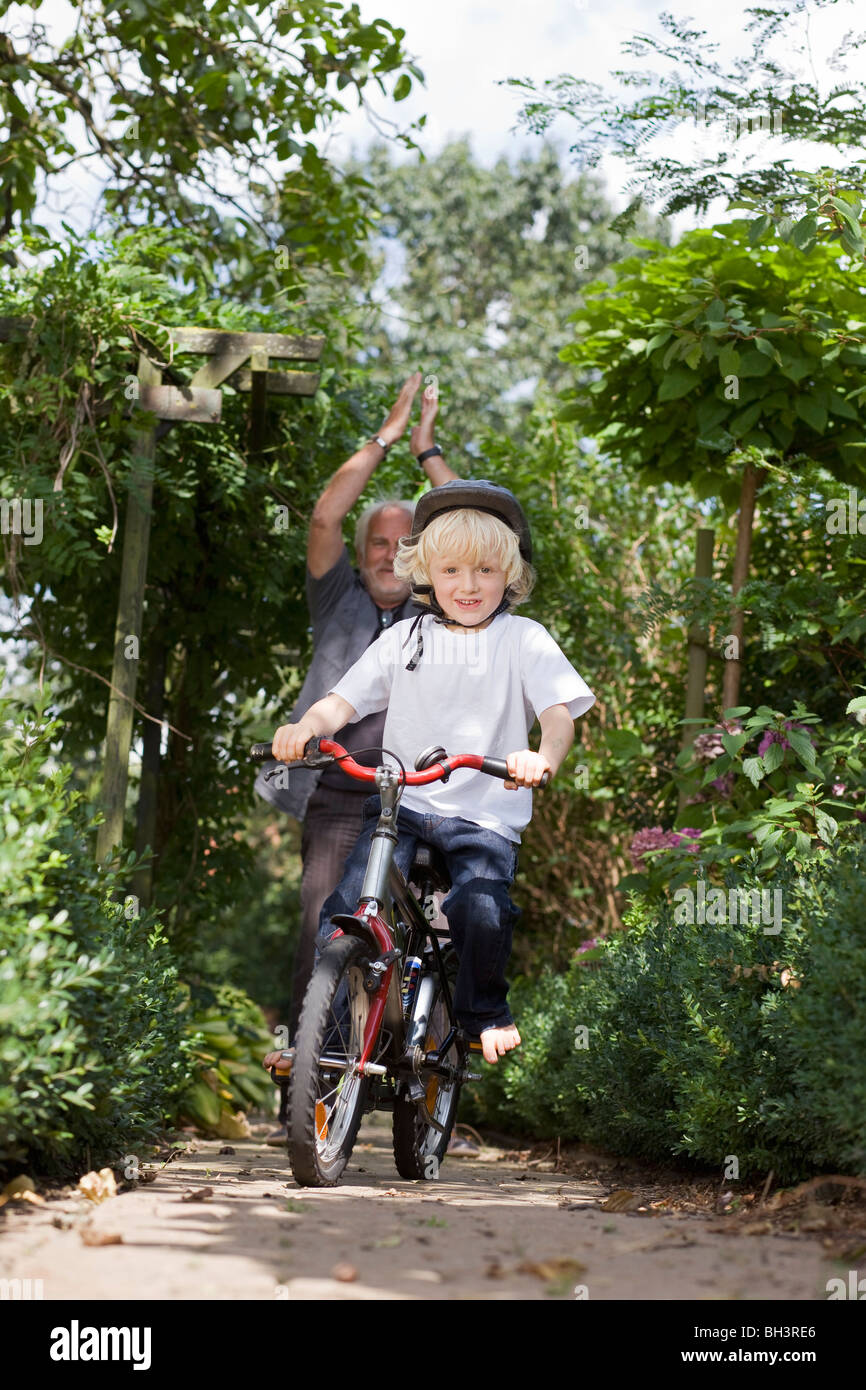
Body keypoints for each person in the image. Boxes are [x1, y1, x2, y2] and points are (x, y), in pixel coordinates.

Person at [268, 480, 596, 1064]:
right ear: (426, 573)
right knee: (347, 907)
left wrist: (542, 758)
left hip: (484, 816)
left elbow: (557, 714)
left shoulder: (524, 639)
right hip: (406, 809)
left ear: (511, 575)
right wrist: (307, 727)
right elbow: (342, 702)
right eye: (450, 570)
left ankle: (484, 1013)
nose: (468, 586)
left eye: (485, 571)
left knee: (480, 906)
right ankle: (325, 1043)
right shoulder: (404, 638)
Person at [256, 373, 457, 1130]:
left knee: (437, 937)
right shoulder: (337, 597)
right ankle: (311, 1094)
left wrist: (427, 449)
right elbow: (324, 514)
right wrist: (386, 434)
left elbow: (482, 530)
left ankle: (424, 1085)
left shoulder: (443, 610)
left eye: (404, 543)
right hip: (342, 793)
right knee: (325, 929)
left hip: (428, 793)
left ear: (420, 556)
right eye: (379, 540)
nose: (386, 552)